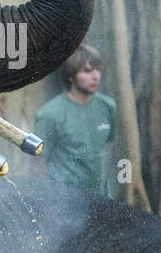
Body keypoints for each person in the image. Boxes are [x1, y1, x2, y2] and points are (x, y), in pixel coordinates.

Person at [33, 44, 116, 198]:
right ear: (71, 76)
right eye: (87, 70)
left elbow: (106, 147)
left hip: (102, 199)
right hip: (66, 203)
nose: (96, 76)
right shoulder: (50, 114)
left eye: (98, 69)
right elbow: (38, 164)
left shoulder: (107, 106)